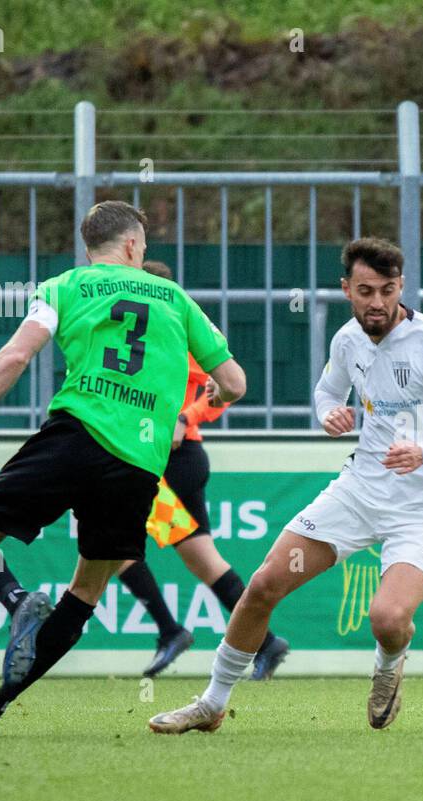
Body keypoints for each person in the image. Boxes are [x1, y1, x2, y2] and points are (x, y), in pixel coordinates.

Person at [0, 200, 246, 737]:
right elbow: (235, 383)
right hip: (139, 466)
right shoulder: (177, 300)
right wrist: (195, 400)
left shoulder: (65, 286)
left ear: (91, 248)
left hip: (74, 438)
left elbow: (15, 356)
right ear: (133, 245)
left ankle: (15, 601)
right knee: (85, 593)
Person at [148, 236, 423, 734]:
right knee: (265, 584)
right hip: (358, 493)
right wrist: (328, 413)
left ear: (402, 286)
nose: (377, 302)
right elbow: (327, 391)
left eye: (388, 290)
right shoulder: (347, 340)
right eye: (366, 290)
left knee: (388, 618)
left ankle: (388, 662)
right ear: (346, 289)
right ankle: (211, 703)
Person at [120, 258, 289, 679]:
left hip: (172, 463)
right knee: (202, 560)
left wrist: (185, 417)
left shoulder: (173, 336)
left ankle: (170, 630)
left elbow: (226, 387)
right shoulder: (142, 340)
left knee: (112, 543)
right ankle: (266, 643)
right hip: (164, 462)